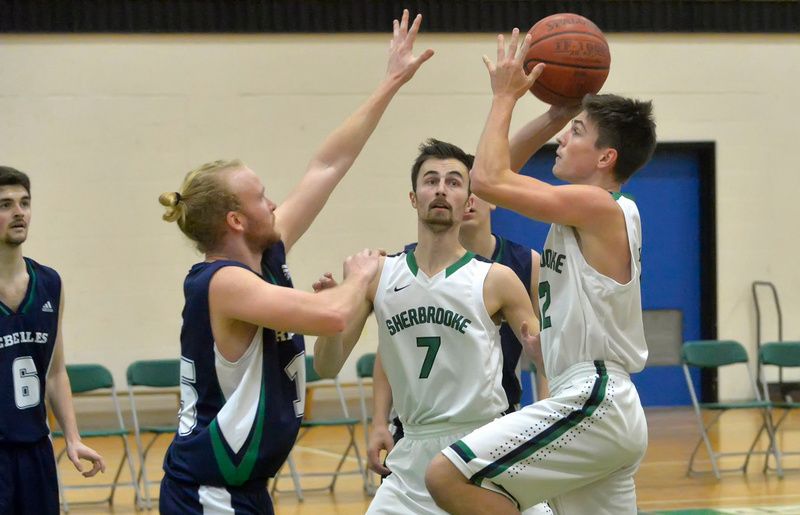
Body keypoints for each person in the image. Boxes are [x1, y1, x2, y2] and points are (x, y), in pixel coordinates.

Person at [157, 10, 432, 514]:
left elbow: (327, 165)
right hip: (207, 494)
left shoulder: (266, 251)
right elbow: (332, 317)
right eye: (262, 198)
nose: (276, 204)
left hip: (245, 489)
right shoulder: (220, 284)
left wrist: (390, 82)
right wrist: (359, 277)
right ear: (236, 221)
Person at [426, 29, 657, 515]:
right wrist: (557, 110)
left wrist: (505, 97)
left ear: (605, 158)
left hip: (595, 399)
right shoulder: (588, 213)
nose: (561, 137)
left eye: (575, 132)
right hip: (599, 401)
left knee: (447, 476)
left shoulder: (595, 205)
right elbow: (486, 180)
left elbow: (486, 178)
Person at [313, 139, 541, 515]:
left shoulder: (496, 278)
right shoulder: (378, 274)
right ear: (413, 198)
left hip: (483, 442)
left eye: (454, 182)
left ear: (470, 201)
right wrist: (329, 314)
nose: (440, 189)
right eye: (430, 180)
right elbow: (326, 366)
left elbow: (544, 353)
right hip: (413, 447)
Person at [369, 191, 547, 468]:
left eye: (475, 191)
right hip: (416, 425)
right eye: (463, 190)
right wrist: (378, 420)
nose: (470, 200)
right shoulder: (406, 264)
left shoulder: (525, 263)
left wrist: (546, 415)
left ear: (492, 199)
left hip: (493, 421)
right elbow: (388, 350)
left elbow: (542, 350)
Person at [0, 166, 106, 515]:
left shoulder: (49, 283)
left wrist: (72, 437)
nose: (19, 212)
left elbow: (55, 372)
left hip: (35, 450)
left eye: (24, 203)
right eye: (4, 205)